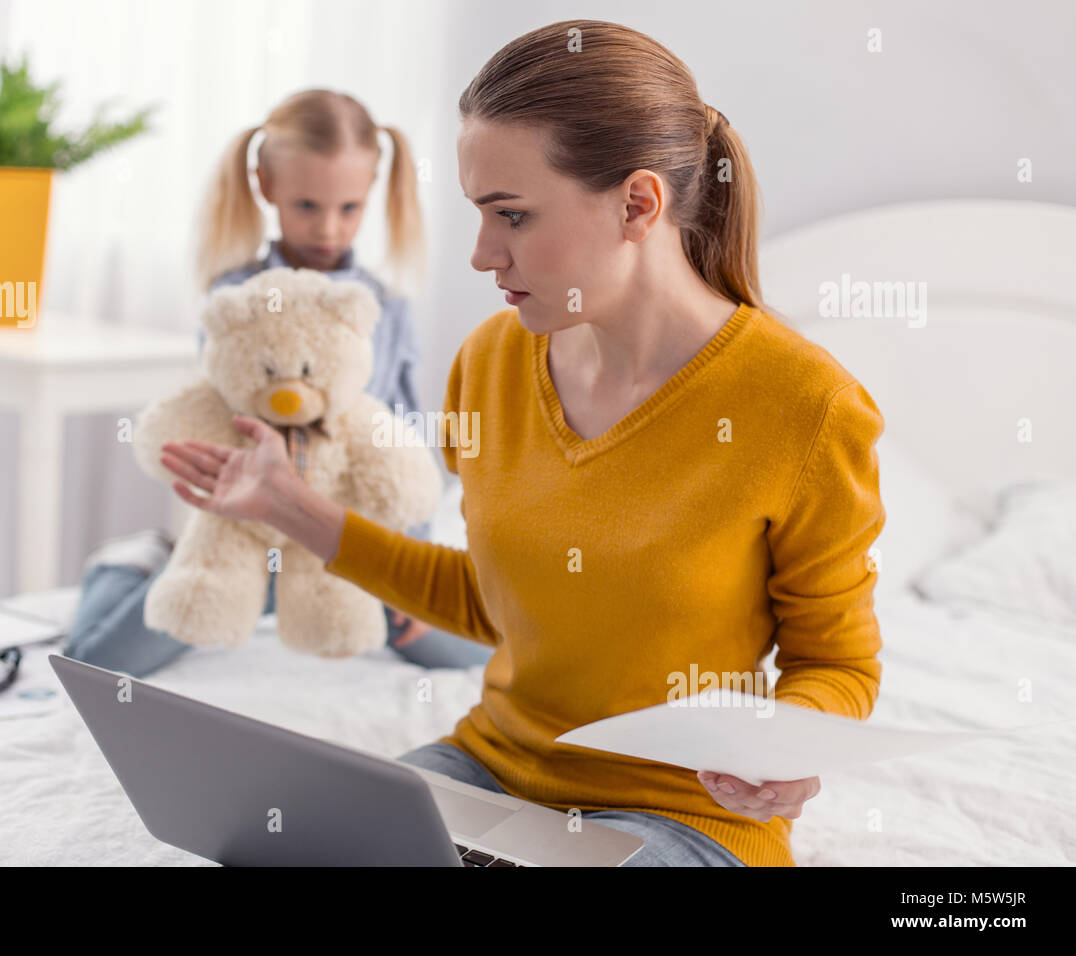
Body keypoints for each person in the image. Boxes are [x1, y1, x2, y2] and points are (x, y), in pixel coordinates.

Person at [154, 21, 886, 867]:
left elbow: (838, 665)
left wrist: (791, 746)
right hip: (492, 773)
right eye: (478, 213)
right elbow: (495, 605)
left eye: (512, 215)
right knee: (286, 848)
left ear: (637, 205)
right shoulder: (492, 362)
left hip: (682, 816)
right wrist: (291, 508)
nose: (480, 254)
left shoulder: (804, 405)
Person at [64, 89, 495, 678]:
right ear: (266, 187)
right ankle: (129, 564)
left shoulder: (384, 307)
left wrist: (410, 567)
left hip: (342, 544)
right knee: (99, 663)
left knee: (475, 655)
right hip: (247, 535)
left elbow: (398, 437)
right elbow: (216, 420)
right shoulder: (234, 298)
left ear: (372, 192)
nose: (328, 228)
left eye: (349, 208)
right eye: (307, 205)